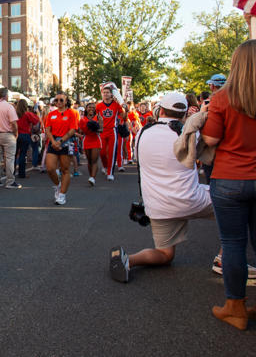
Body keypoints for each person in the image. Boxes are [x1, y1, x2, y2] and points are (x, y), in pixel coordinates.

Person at [201, 40, 256, 330]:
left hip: (231, 180)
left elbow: (212, 140)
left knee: (234, 245)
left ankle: (236, 308)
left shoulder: (222, 99)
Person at [109, 93, 214, 285]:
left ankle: (128, 259)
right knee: (233, 205)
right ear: (184, 114)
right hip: (191, 199)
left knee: (165, 254)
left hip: (158, 206)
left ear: (161, 111)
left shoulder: (142, 133)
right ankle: (225, 257)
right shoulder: (190, 133)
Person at [45, 93, 78, 205]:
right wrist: (54, 142)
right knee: (50, 168)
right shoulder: (51, 114)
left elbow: (73, 130)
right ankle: (58, 185)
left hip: (66, 142)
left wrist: (61, 141)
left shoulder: (72, 113)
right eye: (56, 100)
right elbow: (48, 129)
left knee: (65, 169)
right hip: (53, 142)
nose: (58, 102)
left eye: (61, 100)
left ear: (66, 101)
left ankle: (62, 194)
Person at [96, 83, 125, 180]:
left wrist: (125, 110)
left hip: (113, 131)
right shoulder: (99, 106)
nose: (105, 94)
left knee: (112, 152)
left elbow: (123, 116)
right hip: (102, 131)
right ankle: (105, 166)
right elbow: (95, 117)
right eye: (104, 92)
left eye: (107, 92)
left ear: (111, 94)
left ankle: (110, 173)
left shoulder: (116, 105)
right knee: (102, 152)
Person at [0, 87, 19, 189]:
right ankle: (10, 181)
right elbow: (14, 123)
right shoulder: (9, 107)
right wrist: (16, 133)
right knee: (9, 159)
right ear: (6, 95)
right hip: (8, 134)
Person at [78, 102, 103, 186]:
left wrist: (95, 128)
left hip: (96, 139)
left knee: (94, 160)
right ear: (86, 109)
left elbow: (101, 129)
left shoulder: (98, 117)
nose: (91, 109)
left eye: (93, 107)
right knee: (89, 160)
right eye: (89, 107)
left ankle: (92, 177)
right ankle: (91, 175)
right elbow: (80, 131)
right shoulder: (82, 119)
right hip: (87, 139)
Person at [14, 99, 40, 179]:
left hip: (15, 135)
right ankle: (22, 173)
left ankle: (11, 172)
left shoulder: (14, 114)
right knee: (22, 154)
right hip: (25, 135)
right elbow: (36, 120)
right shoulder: (27, 114)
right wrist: (38, 113)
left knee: (13, 155)